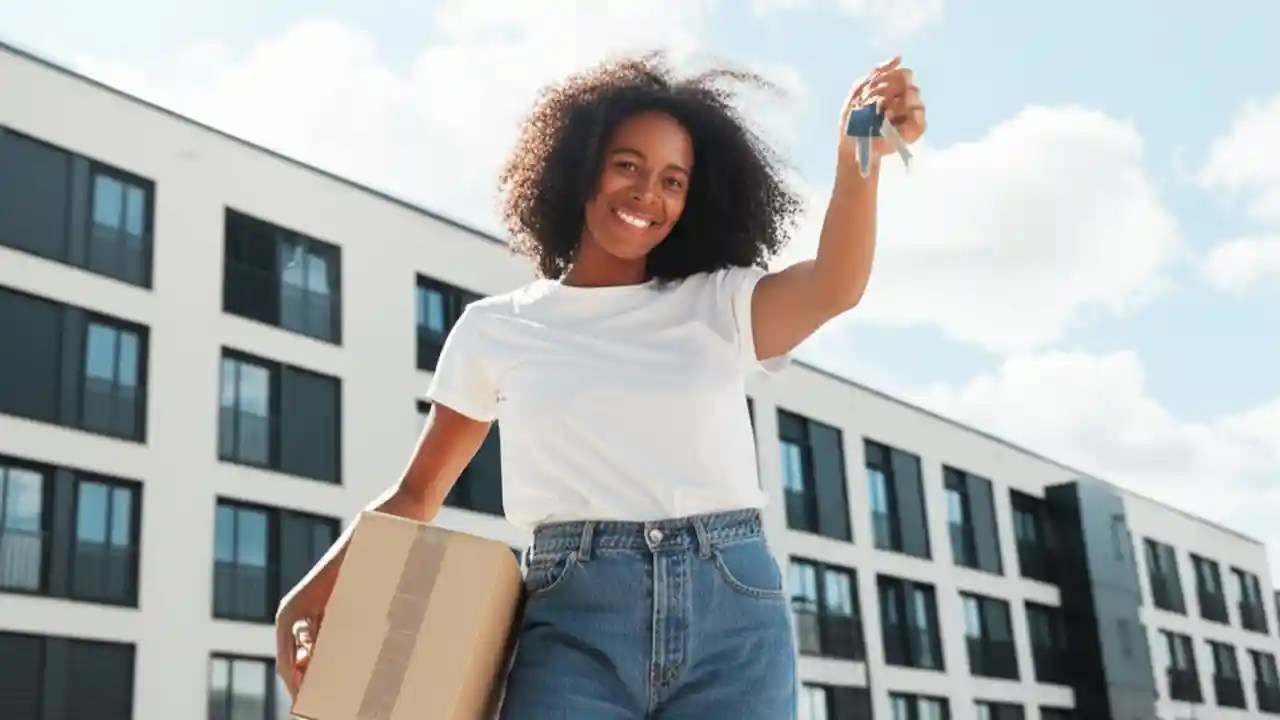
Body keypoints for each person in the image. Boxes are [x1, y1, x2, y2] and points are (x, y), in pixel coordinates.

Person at [274, 52, 925, 718]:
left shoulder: (717, 303)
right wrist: (307, 597)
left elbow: (835, 286)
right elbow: (419, 490)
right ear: (578, 168)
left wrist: (857, 163)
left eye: (674, 181)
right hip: (574, 615)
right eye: (628, 166)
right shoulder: (496, 328)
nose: (649, 194)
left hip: (731, 609)